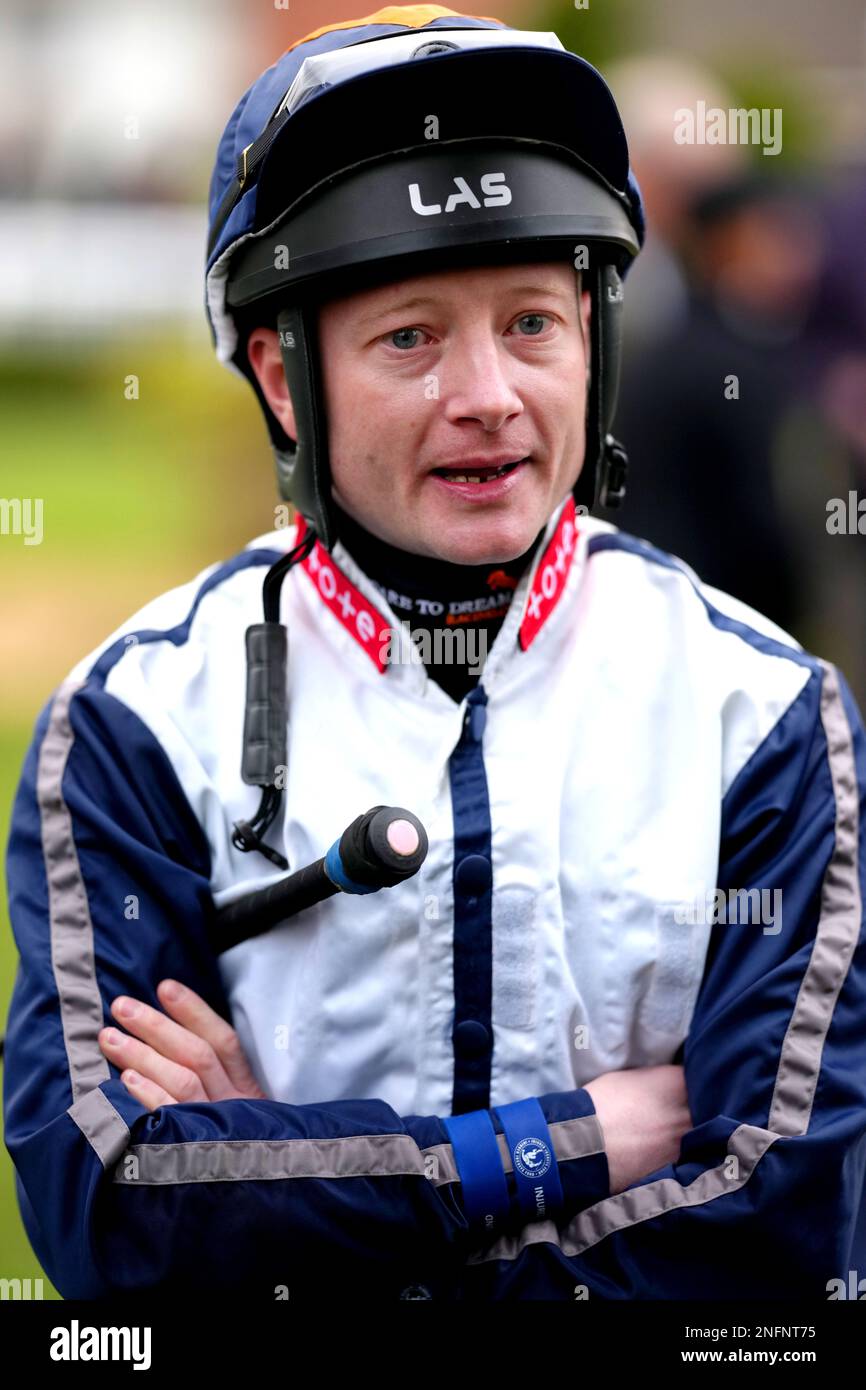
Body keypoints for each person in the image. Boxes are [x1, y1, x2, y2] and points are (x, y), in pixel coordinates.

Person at [4, 6, 866, 1302]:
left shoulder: (766, 709)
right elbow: (113, 1214)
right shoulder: (132, 716)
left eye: (530, 321)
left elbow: (777, 1232)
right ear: (286, 380)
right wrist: (569, 1141)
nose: (490, 394)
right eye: (409, 335)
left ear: (592, 338)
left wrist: (285, 1185)